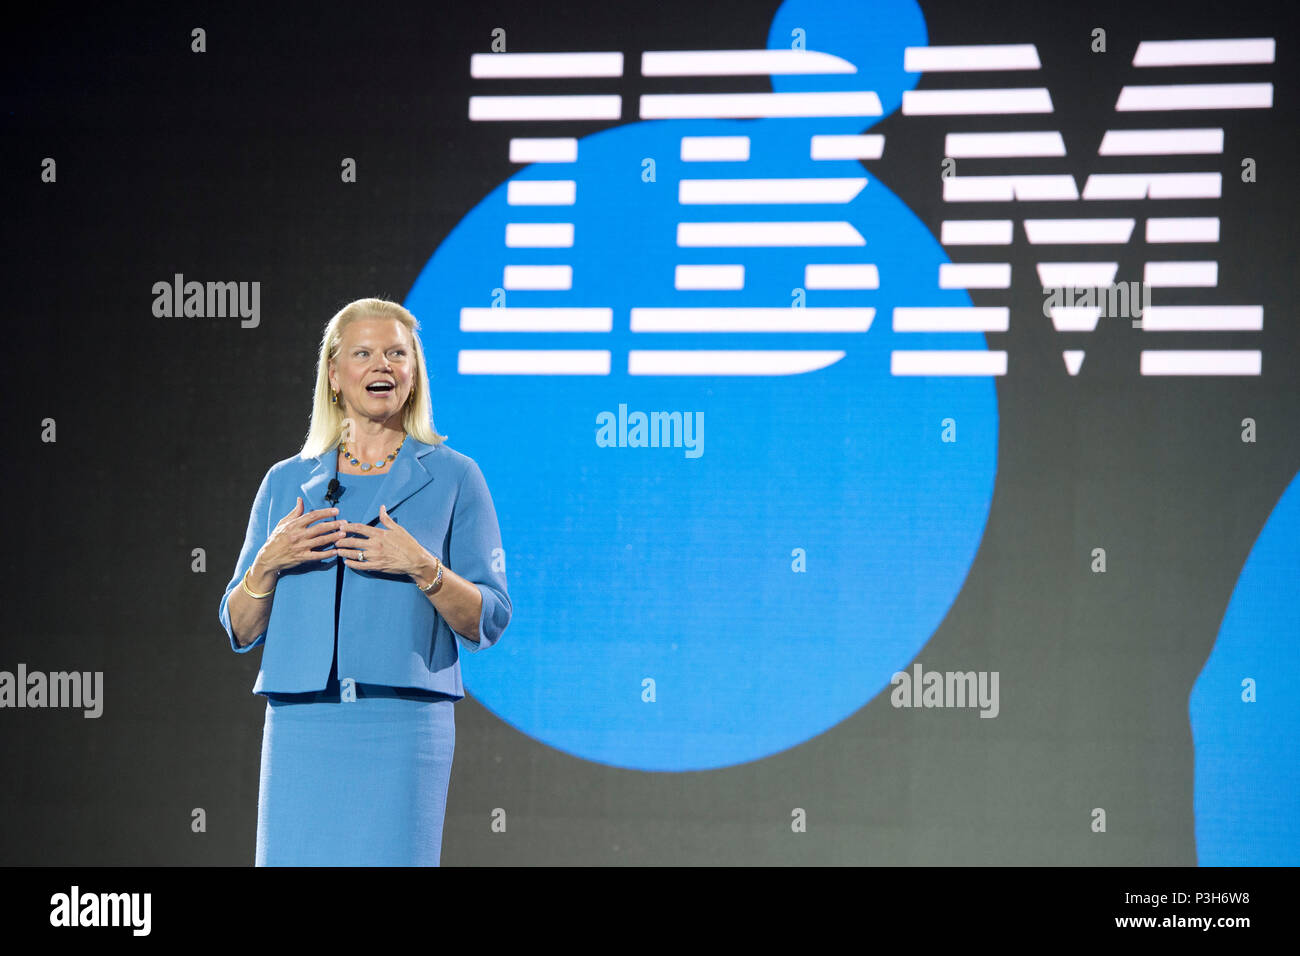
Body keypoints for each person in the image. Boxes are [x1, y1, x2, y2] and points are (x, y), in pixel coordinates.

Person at [217, 297, 511, 866]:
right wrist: (267, 563)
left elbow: (488, 617)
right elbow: (238, 625)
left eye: (398, 353)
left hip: (401, 726)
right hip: (301, 726)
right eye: (365, 353)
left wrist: (422, 567)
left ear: (414, 372)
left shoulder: (454, 477)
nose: (384, 365)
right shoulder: (286, 482)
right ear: (333, 373)